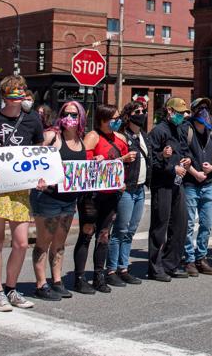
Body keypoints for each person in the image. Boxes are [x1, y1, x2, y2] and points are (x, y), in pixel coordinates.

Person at [0, 75, 44, 311]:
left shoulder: (33, 119)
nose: (21, 93)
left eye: (23, 89)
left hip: (21, 188)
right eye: (16, 90)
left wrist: (41, 176)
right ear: (5, 95)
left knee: (22, 243)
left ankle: (11, 288)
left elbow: (39, 151)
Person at [30, 102, 87, 301]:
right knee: (43, 242)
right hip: (48, 198)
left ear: (81, 117)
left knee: (60, 244)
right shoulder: (52, 136)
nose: (70, 118)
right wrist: (37, 179)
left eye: (74, 114)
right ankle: (40, 283)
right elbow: (32, 157)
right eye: (66, 114)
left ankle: (56, 281)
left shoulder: (82, 140)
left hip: (69, 200)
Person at [74, 105, 129, 293]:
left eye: (118, 117)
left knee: (104, 235)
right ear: (102, 120)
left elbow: (121, 165)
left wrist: (122, 177)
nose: (117, 121)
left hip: (111, 194)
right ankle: (79, 278)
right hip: (92, 195)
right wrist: (94, 159)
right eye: (113, 118)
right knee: (87, 233)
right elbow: (82, 162)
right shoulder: (93, 137)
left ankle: (99, 276)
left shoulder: (120, 139)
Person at [147, 97, 191, 281]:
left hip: (177, 184)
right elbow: (152, 159)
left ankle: (170, 263)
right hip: (162, 184)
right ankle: (155, 268)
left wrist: (188, 160)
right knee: (160, 225)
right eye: (179, 113)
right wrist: (172, 167)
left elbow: (184, 150)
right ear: (169, 111)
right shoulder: (158, 131)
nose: (182, 116)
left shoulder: (179, 129)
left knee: (180, 223)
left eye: (183, 113)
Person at [107, 99, 149, 286]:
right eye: (137, 112)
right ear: (128, 116)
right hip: (126, 188)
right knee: (120, 230)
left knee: (130, 231)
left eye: (143, 111)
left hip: (140, 188)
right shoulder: (121, 136)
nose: (142, 114)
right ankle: (111, 269)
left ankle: (124, 267)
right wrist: (123, 159)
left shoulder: (143, 136)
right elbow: (111, 159)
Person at [181, 99, 212, 276]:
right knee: (189, 224)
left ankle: (201, 257)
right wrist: (196, 173)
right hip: (190, 184)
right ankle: (188, 259)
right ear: (193, 110)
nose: (203, 111)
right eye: (200, 108)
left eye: (206, 108)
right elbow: (181, 156)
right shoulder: (185, 130)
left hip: (207, 185)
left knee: (206, 223)